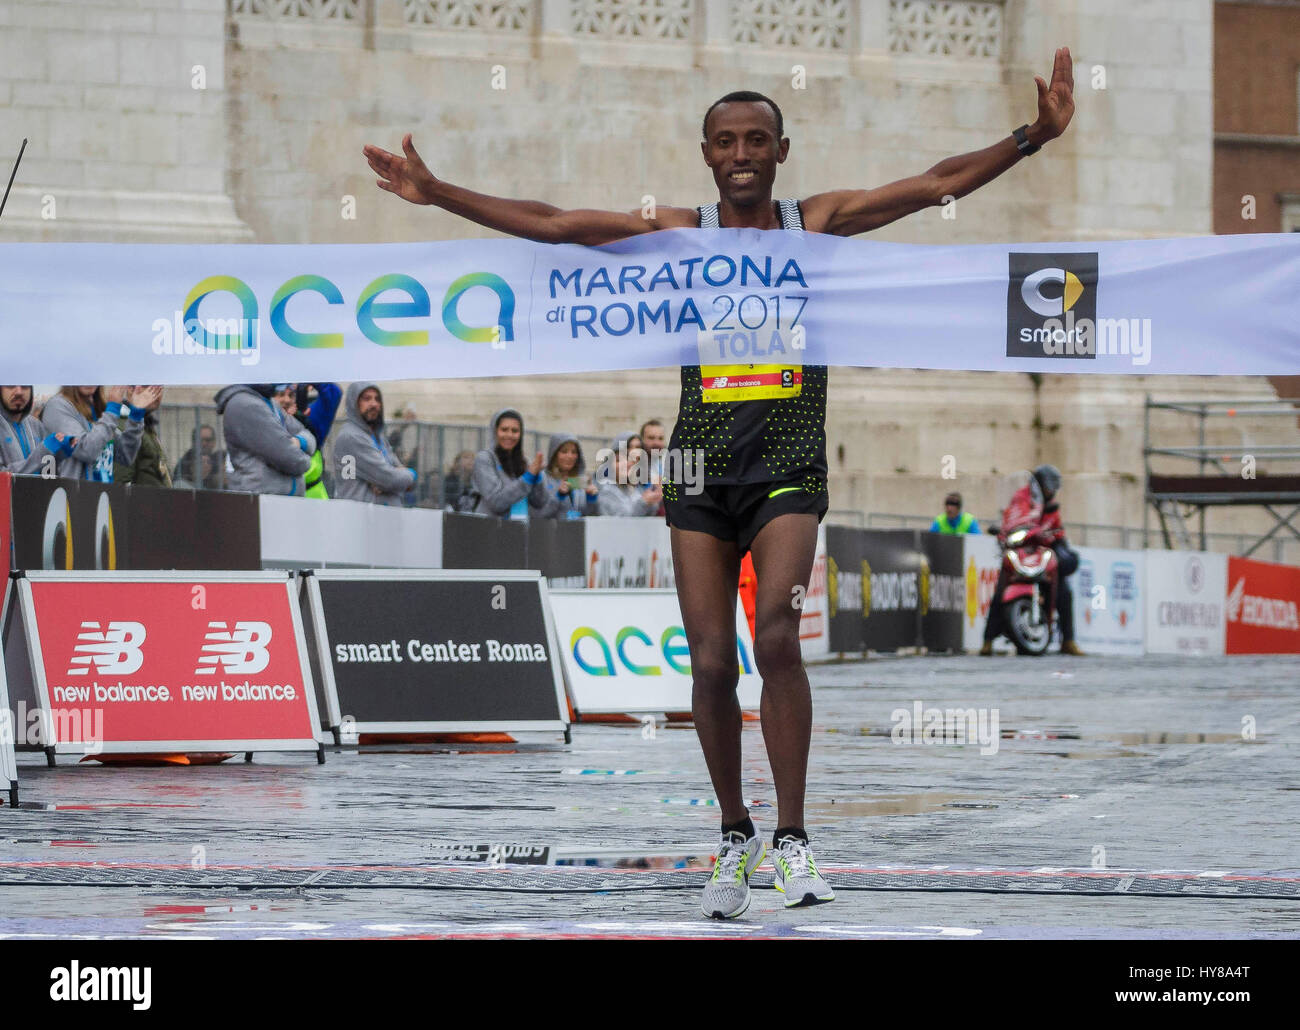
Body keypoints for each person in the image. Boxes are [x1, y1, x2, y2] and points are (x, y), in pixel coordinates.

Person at [364, 49, 1075, 918]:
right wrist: (439, 194)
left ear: (782, 148)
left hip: (789, 462)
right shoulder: (679, 229)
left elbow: (933, 183)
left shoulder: (815, 223)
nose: (742, 153)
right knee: (707, 660)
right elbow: (554, 225)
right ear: (706, 152)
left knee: (774, 632)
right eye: (726, 141)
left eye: (758, 140)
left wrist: (1030, 138)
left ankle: (796, 841)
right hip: (699, 464)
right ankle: (734, 835)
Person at [979, 464, 1084, 656]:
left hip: (1043, 551)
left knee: (1063, 589)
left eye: (1054, 486)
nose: (1051, 490)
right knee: (1001, 587)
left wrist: (1055, 539)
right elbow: (1013, 518)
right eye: (1048, 485)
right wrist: (1007, 531)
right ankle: (987, 641)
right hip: (1021, 549)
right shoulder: (1022, 497)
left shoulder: (1052, 507)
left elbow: (1058, 533)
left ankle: (1068, 640)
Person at [215, 383, 316, 496]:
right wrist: (306, 461)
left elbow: (309, 437)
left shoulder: (269, 403)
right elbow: (288, 458)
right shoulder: (245, 404)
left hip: (279, 500)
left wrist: (298, 441)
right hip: (261, 502)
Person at [42, 386, 154, 482]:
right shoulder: (57, 406)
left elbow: (125, 455)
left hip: (100, 497)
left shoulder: (97, 408)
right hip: (72, 498)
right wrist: (112, 410)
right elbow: (86, 450)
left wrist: (136, 415)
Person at [331, 382, 418, 505]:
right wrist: (411, 475)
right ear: (353, 403)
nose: (374, 404)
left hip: (380, 516)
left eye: (377, 399)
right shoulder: (352, 436)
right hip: (360, 517)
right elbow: (389, 479)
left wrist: (396, 479)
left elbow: (396, 478)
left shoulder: (377, 436)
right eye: (367, 399)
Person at [471, 408, 546, 518]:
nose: (509, 435)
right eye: (504, 429)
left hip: (519, 529)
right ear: (495, 431)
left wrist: (537, 477)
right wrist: (528, 477)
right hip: (491, 530)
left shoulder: (525, 462)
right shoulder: (485, 459)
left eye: (515, 431)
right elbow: (496, 502)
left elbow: (539, 502)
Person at [0, 385, 72, 475]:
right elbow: (2, 478)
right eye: (10, 385)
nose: (19, 392)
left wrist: (63, 455)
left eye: (24, 386)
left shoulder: (36, 426)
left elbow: (49, 476)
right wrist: (42, 454)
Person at [114, 385, 172, 487]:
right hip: (140, 501)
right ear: (130, 389)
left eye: (159, 387)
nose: (155, 392)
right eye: (146, 386)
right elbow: (121, 479)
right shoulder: (124, 422)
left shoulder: (146, 424)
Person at [293, 383, 342, 499]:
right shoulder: (266, 415)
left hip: (312, 499)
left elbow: (334, 393)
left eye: (290, 394)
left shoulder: (310, 420)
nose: (286, 400)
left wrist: (309, 377)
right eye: (280, 393)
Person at [535, 432, 599, 519]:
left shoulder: (581, 480)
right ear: (554, 454)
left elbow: (590, 516)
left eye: (574, 452)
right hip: (552, 531)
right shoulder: (543, 479)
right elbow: (539, 516)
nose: (570, 456)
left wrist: (591, 499)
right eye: (564, 452)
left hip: (577, 531)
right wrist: (559, 496)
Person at [598, 432, 662, 516]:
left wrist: (654, 500)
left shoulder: (637, 488)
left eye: (638, 447)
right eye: (619, 460)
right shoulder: (605, 489)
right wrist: (644, 502)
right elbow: (623, 521)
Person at [174, 424, 224, 489]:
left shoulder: (217, 460)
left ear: (214, 442)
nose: (204, 443)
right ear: (193, 442)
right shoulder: (185, 462)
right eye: (199, 440)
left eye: (208, 440)